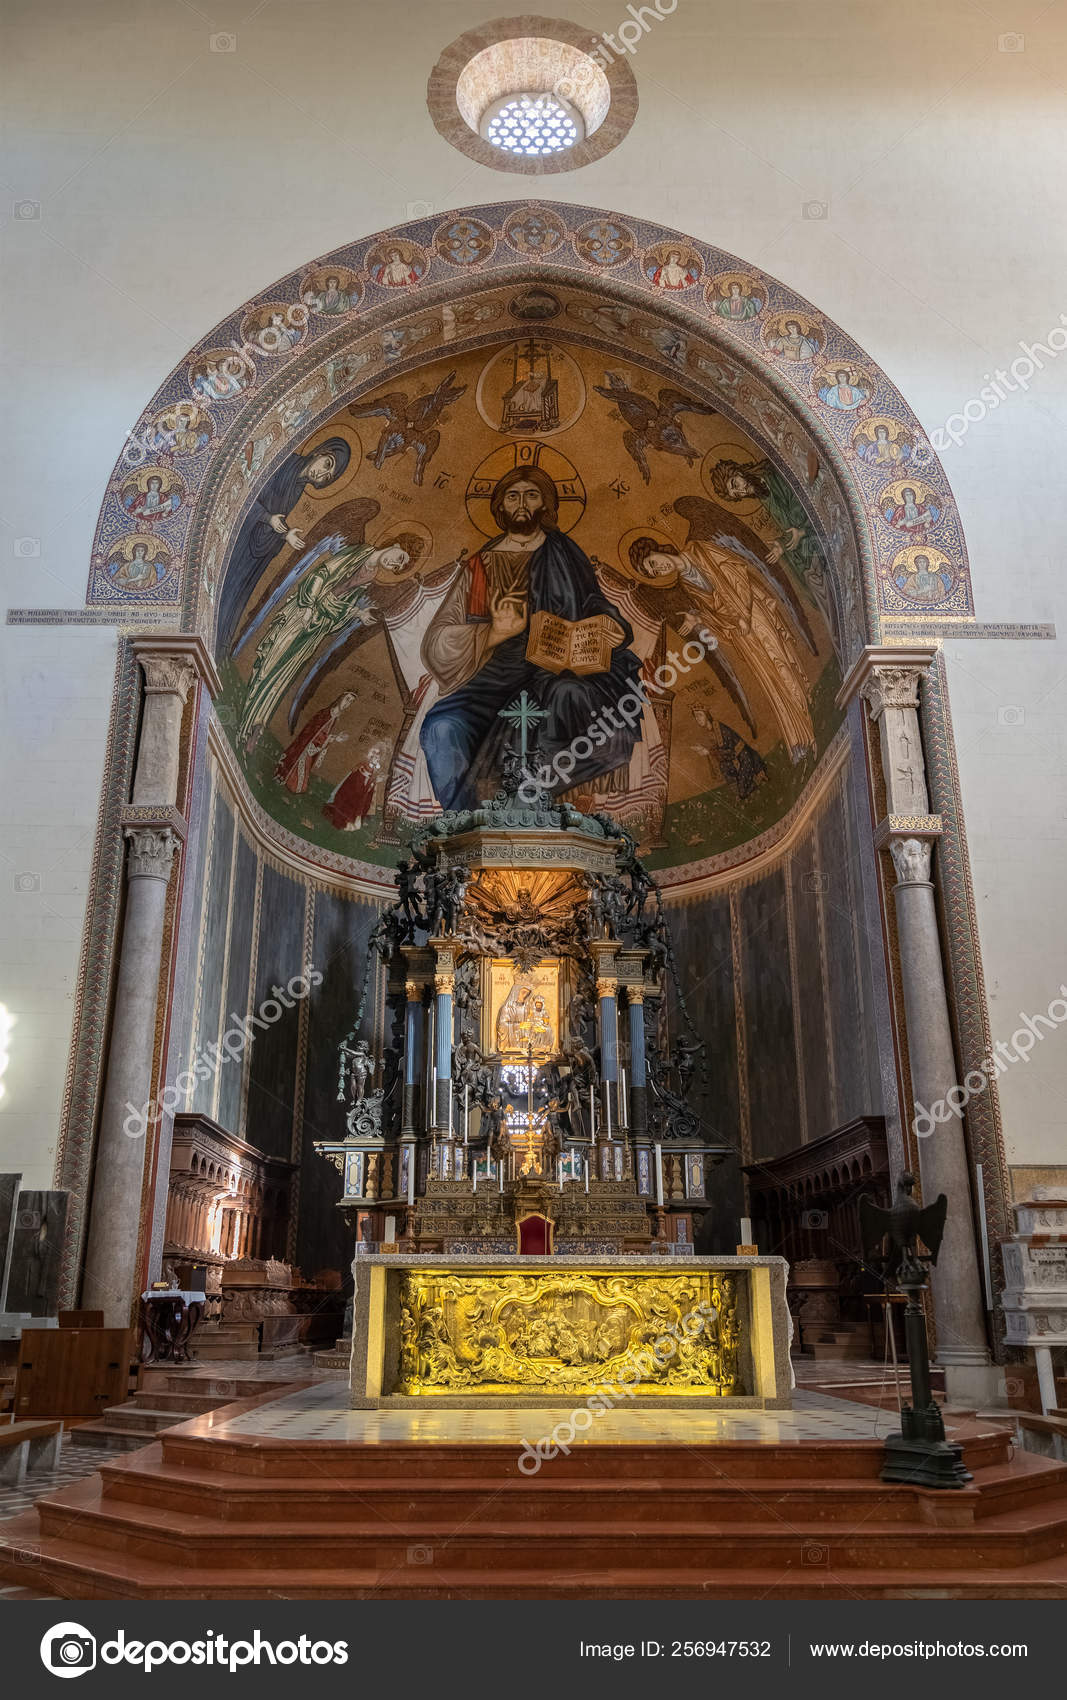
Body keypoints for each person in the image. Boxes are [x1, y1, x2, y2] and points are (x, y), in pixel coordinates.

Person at [418, 466, 642, 810]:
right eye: (513, 496)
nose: (521, 503)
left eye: (531, 495)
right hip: (488, 680)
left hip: (550, 671)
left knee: (573, 699)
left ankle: (531, 802)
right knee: (440, 727)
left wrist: (610, 625)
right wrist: (494, 632)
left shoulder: (564, 552)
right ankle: (466, 824)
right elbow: (436, 641)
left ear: (545, 504)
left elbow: (592, 601)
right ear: (500, 506)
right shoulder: (480, 565)